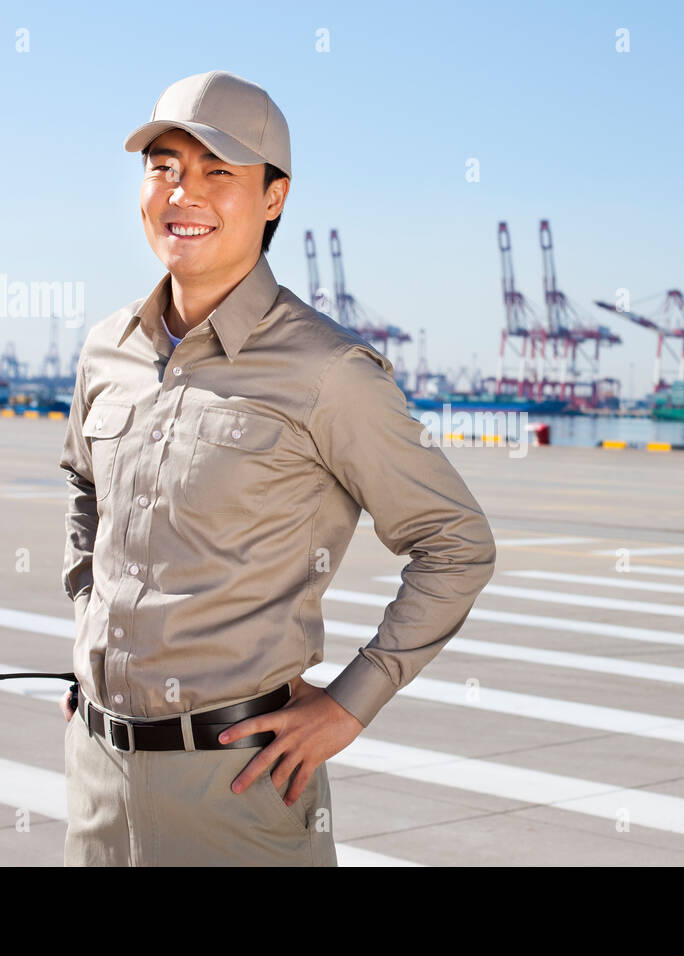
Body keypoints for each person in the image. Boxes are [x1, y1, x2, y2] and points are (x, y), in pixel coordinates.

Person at [57, 70, 496, 866]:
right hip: (95, 776)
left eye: (218, 172)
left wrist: (351, 705)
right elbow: (85, 487)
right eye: (164, 167)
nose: (183, 193)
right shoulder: (107, 348)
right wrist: (92, 620)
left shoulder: (328, 371)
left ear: (274, 197)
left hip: (238, 788)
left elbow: (455, 543)